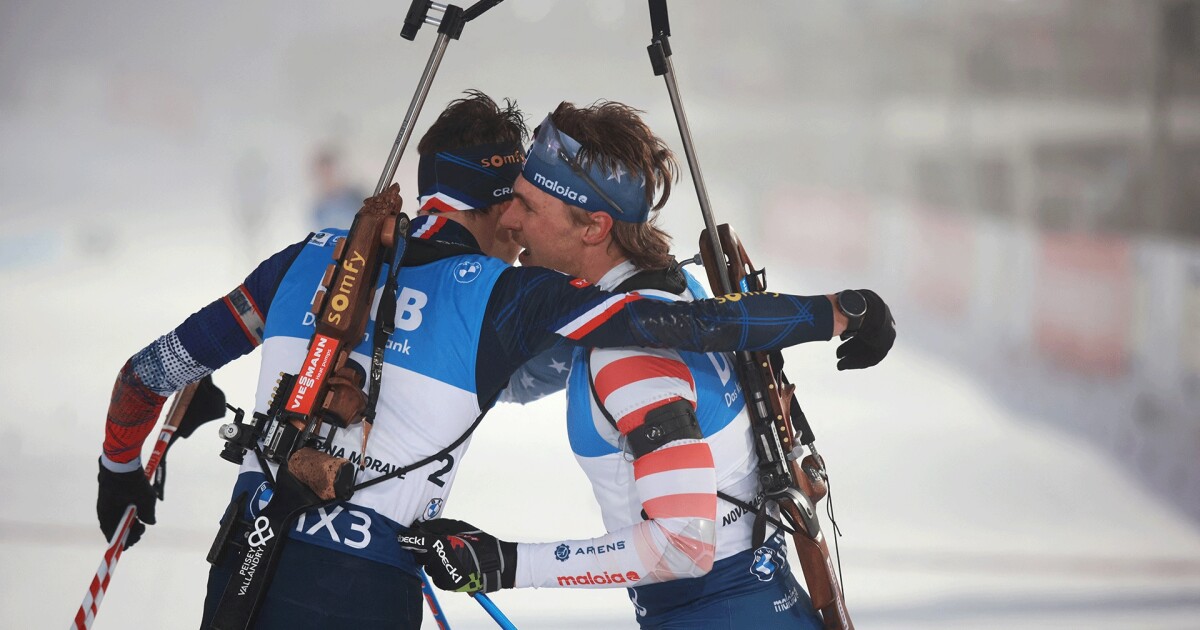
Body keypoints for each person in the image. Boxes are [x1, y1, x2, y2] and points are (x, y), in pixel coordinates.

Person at [95, 92, 893, 630]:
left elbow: (147, 374)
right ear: (497, 201)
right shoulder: (508, 301)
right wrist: (832, 312)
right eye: (516, 201)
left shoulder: (304, 260)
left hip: (244, 565)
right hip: (363, 592)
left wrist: (119, 468)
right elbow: (674, 325)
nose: (517, 227)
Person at [404, 101, 896, 628]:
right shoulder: (674, 290)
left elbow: (683, 546)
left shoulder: (629, 354)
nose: (509, 219)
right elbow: (520, 378)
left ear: (594, 226)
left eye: (527, 205)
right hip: (762, 600)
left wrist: (503, 562)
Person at [309, 146, 367, 230]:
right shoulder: (319, 211)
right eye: (322, 173)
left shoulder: (355, 196)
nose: (327, 177)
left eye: (329, 171)